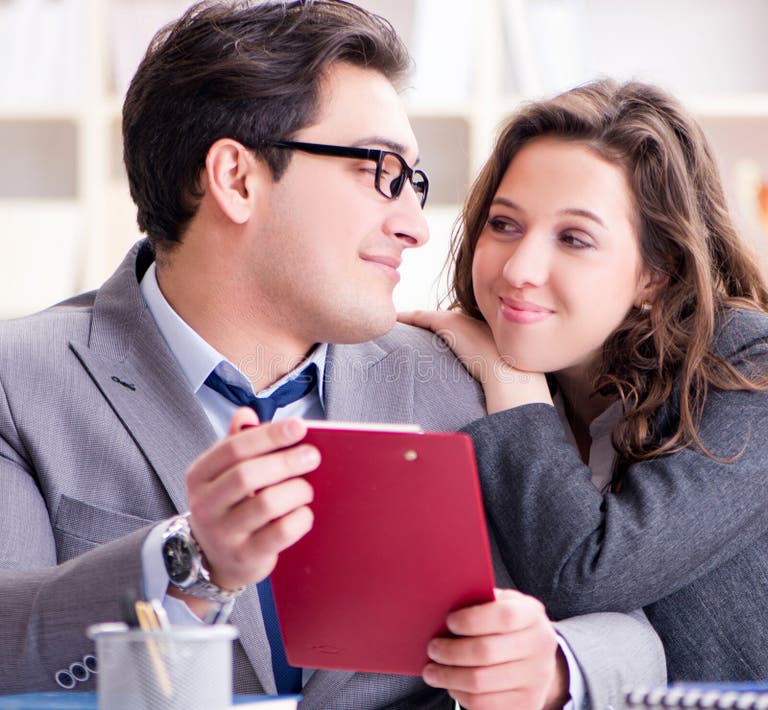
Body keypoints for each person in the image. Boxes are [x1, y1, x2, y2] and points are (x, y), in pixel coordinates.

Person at [0, 4, 665, 707]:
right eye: (380, 170)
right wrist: (186, 562)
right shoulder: (21, 381)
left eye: (415, 183)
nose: (413, 227)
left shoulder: (455, 382)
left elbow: (632, 634)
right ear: (236, 178)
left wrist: (553, 664)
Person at [401, 78, 768, 682]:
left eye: (574, 238)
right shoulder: (454, 379)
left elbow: (588, 573)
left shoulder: (747, 365)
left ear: (656, 272)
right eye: (504, 224)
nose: (519, 269)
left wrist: (510, 384)